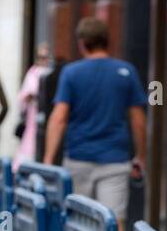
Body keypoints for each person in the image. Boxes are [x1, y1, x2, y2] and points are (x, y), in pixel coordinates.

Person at [44, 16, 147, 219]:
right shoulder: (126, 71)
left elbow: (59, 118)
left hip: (78, 158)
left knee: (78, 221)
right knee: (113, 221)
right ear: (108, 41)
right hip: (115, 160)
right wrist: (141, 156)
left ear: (82, 43)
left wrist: (48, 158)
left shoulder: (71, 73)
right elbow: (138, 120)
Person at [13, 42, 50, 169]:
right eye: (41, 57)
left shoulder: (50, 73)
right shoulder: (32, 73)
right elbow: (24, 96)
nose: (43, 60)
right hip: (33, 118)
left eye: (45, 57)